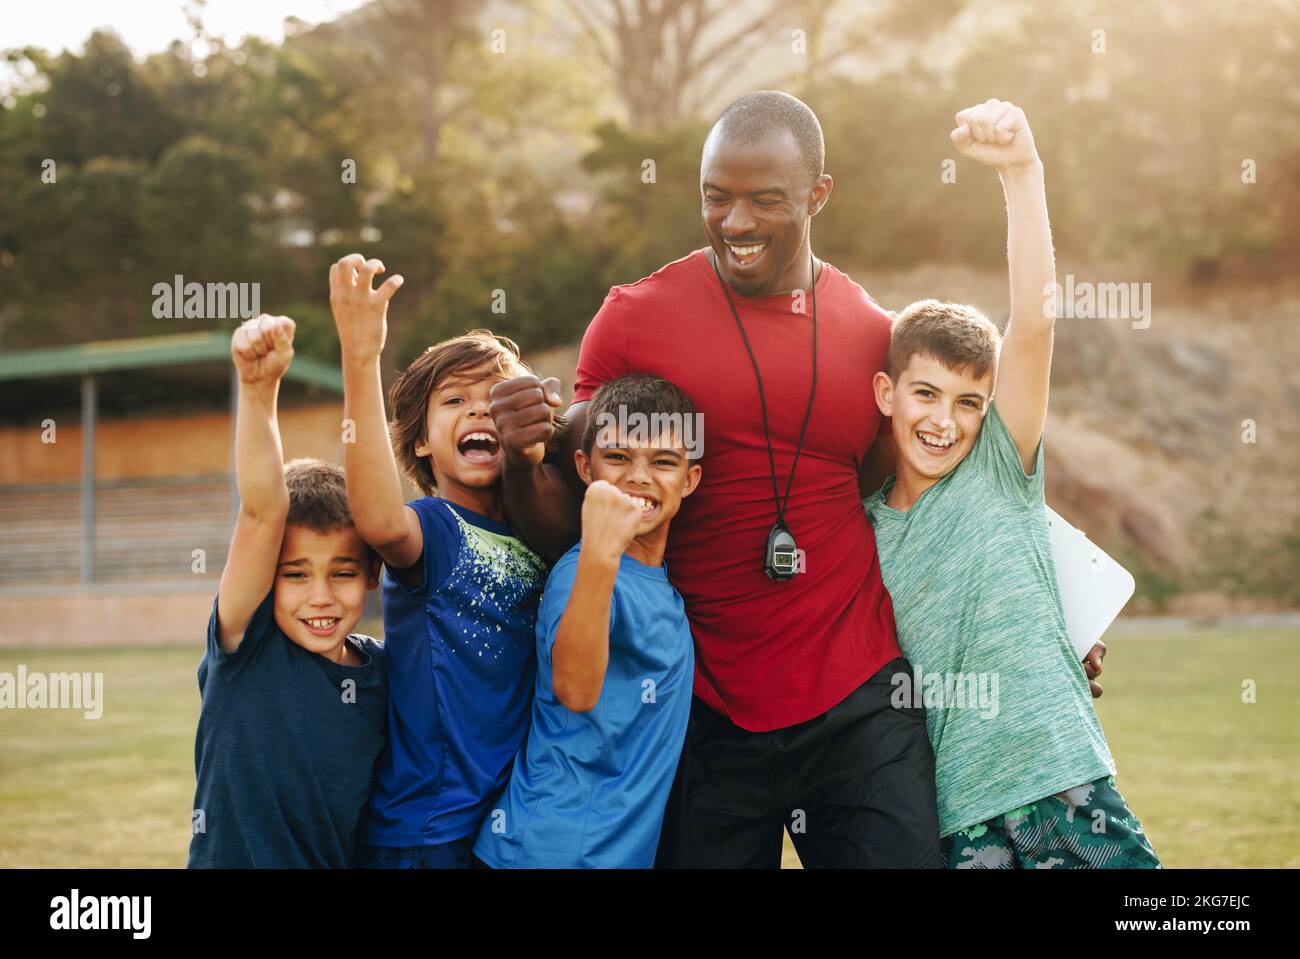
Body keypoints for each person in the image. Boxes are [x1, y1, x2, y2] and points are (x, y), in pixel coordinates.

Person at [488, 91, 948, 868]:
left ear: (819, 195)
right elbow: (571, 508)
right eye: (716, 197)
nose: (736, 222)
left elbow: (917, 498)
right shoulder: (634, 319)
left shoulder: (876, 335)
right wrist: (516, 456)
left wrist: (1055, 624)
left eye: (766, 200)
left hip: (859, 696)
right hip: (701, 708)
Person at [863, 99, 1159, 868]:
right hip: (959, 813)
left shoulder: (1000, 468)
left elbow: (1034, 324)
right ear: (885, 394)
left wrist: (1022, 174)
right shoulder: (858, 524)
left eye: (969, 403)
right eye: (925, 394)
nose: (944, 421)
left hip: (1066, 779)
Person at [329, 255, 549, 868]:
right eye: (455, 400)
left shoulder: (540, 533)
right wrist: (360, 356)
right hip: (429, 832)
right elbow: (375, 518)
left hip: (509, 825)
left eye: (496, 398)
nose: (480, 411)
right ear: (421, 440)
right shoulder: (435, 527)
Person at [474, 374, 701, 868]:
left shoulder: (657, 581)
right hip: (547, 852)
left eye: (663, 461)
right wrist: (600, 548)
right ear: (584, 465)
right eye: (618, 457)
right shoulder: (581, 569)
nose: (639, 477)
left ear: (690, 479)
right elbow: (575, 689)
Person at [188, 314, 387, 869]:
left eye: (342, 573)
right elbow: (261, 513)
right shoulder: (247, 650)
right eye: (295, 574)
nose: (320, 596)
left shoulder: (382, 675)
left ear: (372, 575)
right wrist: (258, 389)